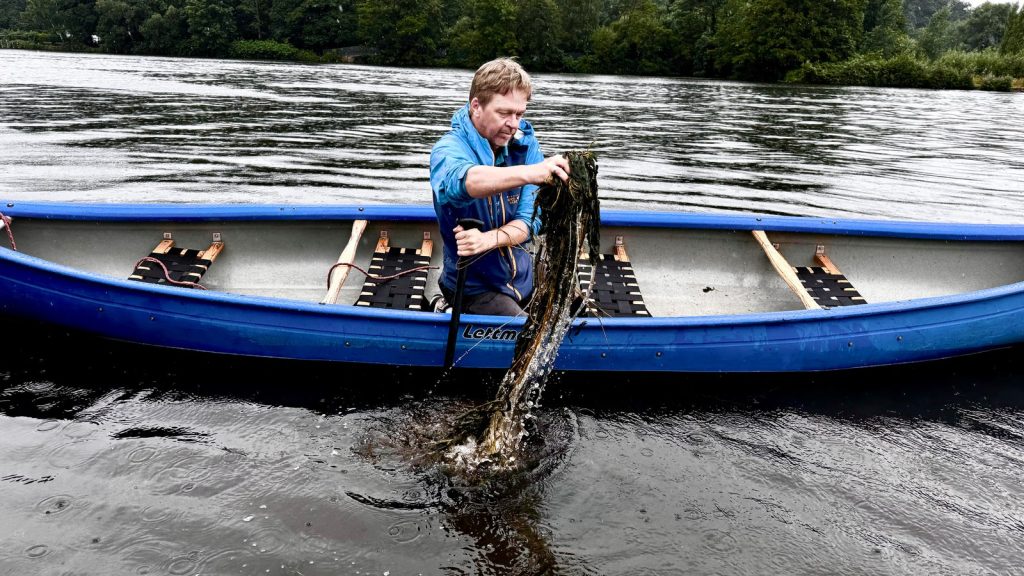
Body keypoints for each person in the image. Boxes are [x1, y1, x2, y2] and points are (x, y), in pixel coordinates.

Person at [429, 58, 570, 316]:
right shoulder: (448, 149)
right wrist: (531, 173)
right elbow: (463, 181)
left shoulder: (526, 146)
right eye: (504, 113)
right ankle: (445, 305)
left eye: (519, 114)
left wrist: (486, 240)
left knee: (575, 312)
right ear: (476, 107)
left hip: (523, 282)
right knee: (525, 336)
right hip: (473, 289)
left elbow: (528, 222)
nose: (514, 123)